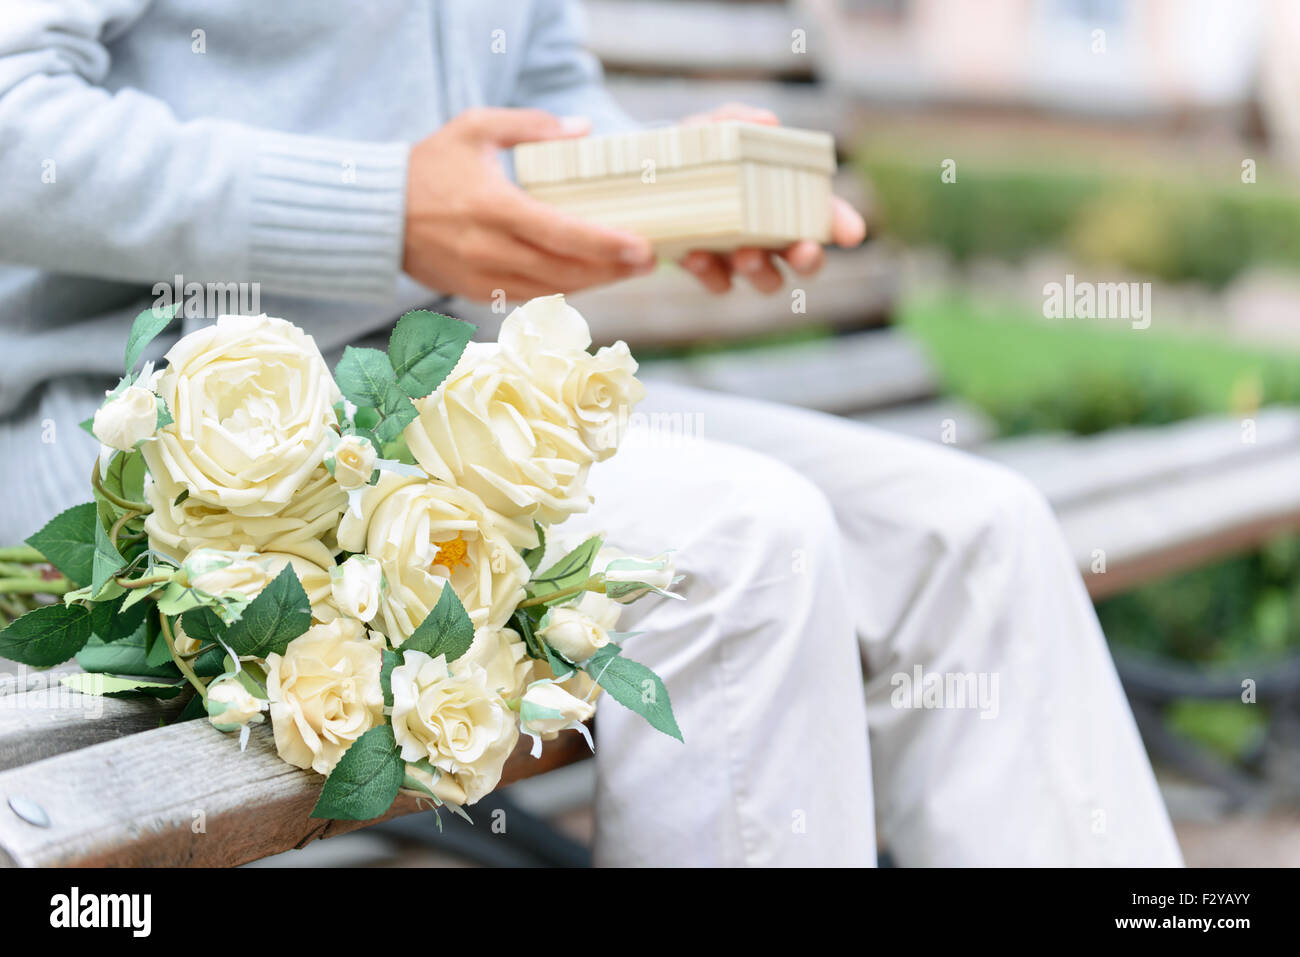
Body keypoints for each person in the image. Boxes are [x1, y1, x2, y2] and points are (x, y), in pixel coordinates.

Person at [0, 0, 1181, 866]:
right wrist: (384, 209)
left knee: (972, 529)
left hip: (446, 384)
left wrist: (662, 183)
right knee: (736, 548)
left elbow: (541, 81)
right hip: (177, 428)